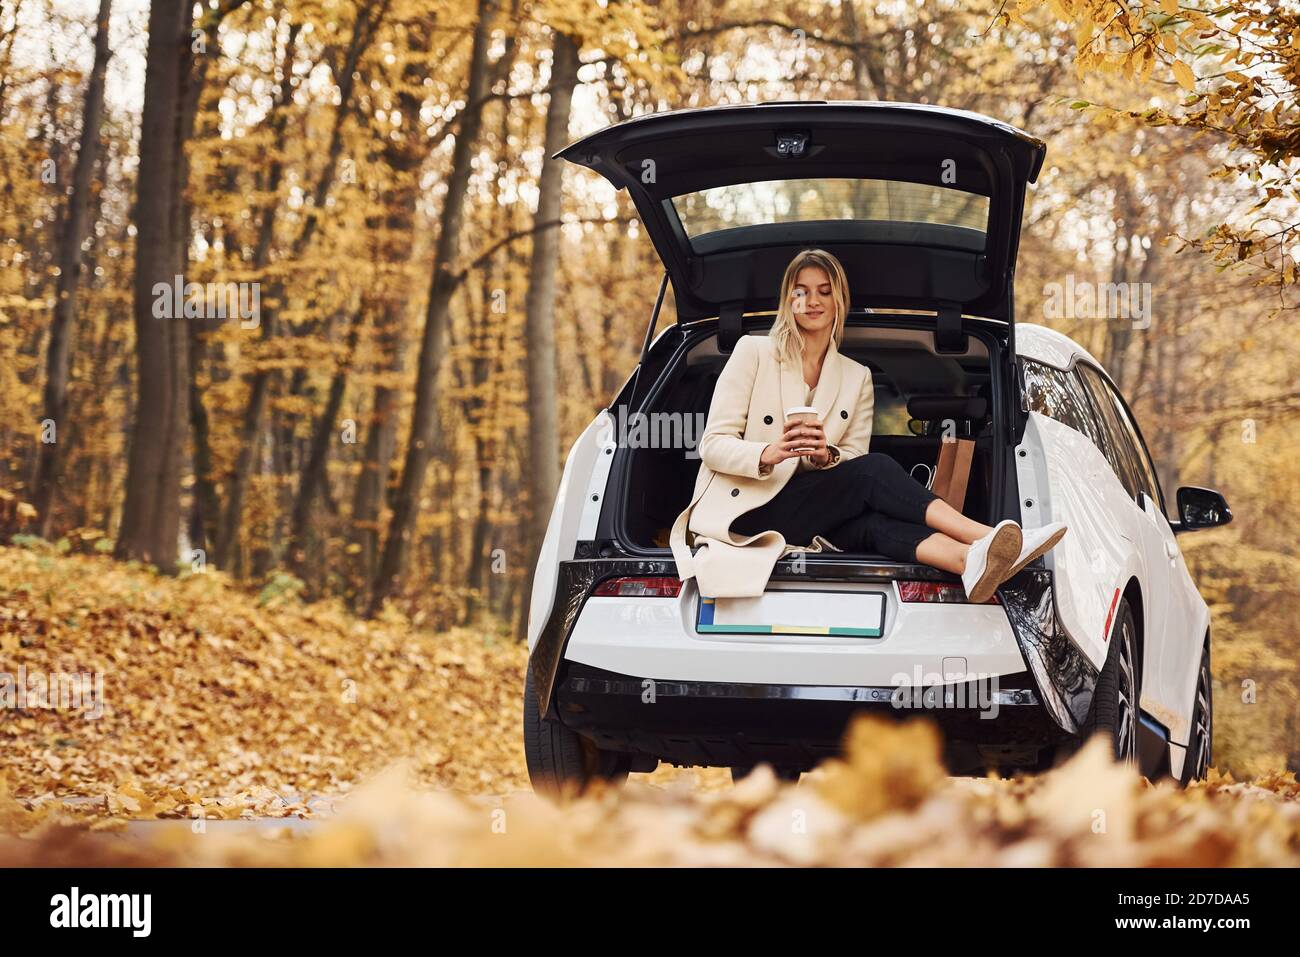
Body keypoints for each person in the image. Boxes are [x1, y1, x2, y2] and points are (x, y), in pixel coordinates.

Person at [669, 248, 1066, 602]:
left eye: (824, 290)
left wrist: (826, 456)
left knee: (873, 525)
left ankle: (968, 560)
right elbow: (713, 444)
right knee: (875, 472)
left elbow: (852, 458)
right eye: (801, 290)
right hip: (748, 508)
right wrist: (768, 453)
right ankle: (983, 535)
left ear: (839, 299)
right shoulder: (754, 352)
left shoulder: (855, 375)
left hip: (811, 511)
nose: (812, 300)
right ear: (788, 299)